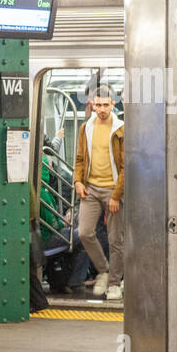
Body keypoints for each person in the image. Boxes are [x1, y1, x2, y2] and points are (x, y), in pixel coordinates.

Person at [72, 86, 124, 300]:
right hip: (91, 188)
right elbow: (80, 159)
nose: (101, 109)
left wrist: (116, 195)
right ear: (92, 105)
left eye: (105, 105)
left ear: (113, 104)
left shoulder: (121, 129)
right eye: (97, 105)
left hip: (113, 188)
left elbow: (125, 165)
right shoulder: (86, 128)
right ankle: (103, 270)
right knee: (84, 232)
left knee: (115, 239)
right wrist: (77, 181)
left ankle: (114, 282)